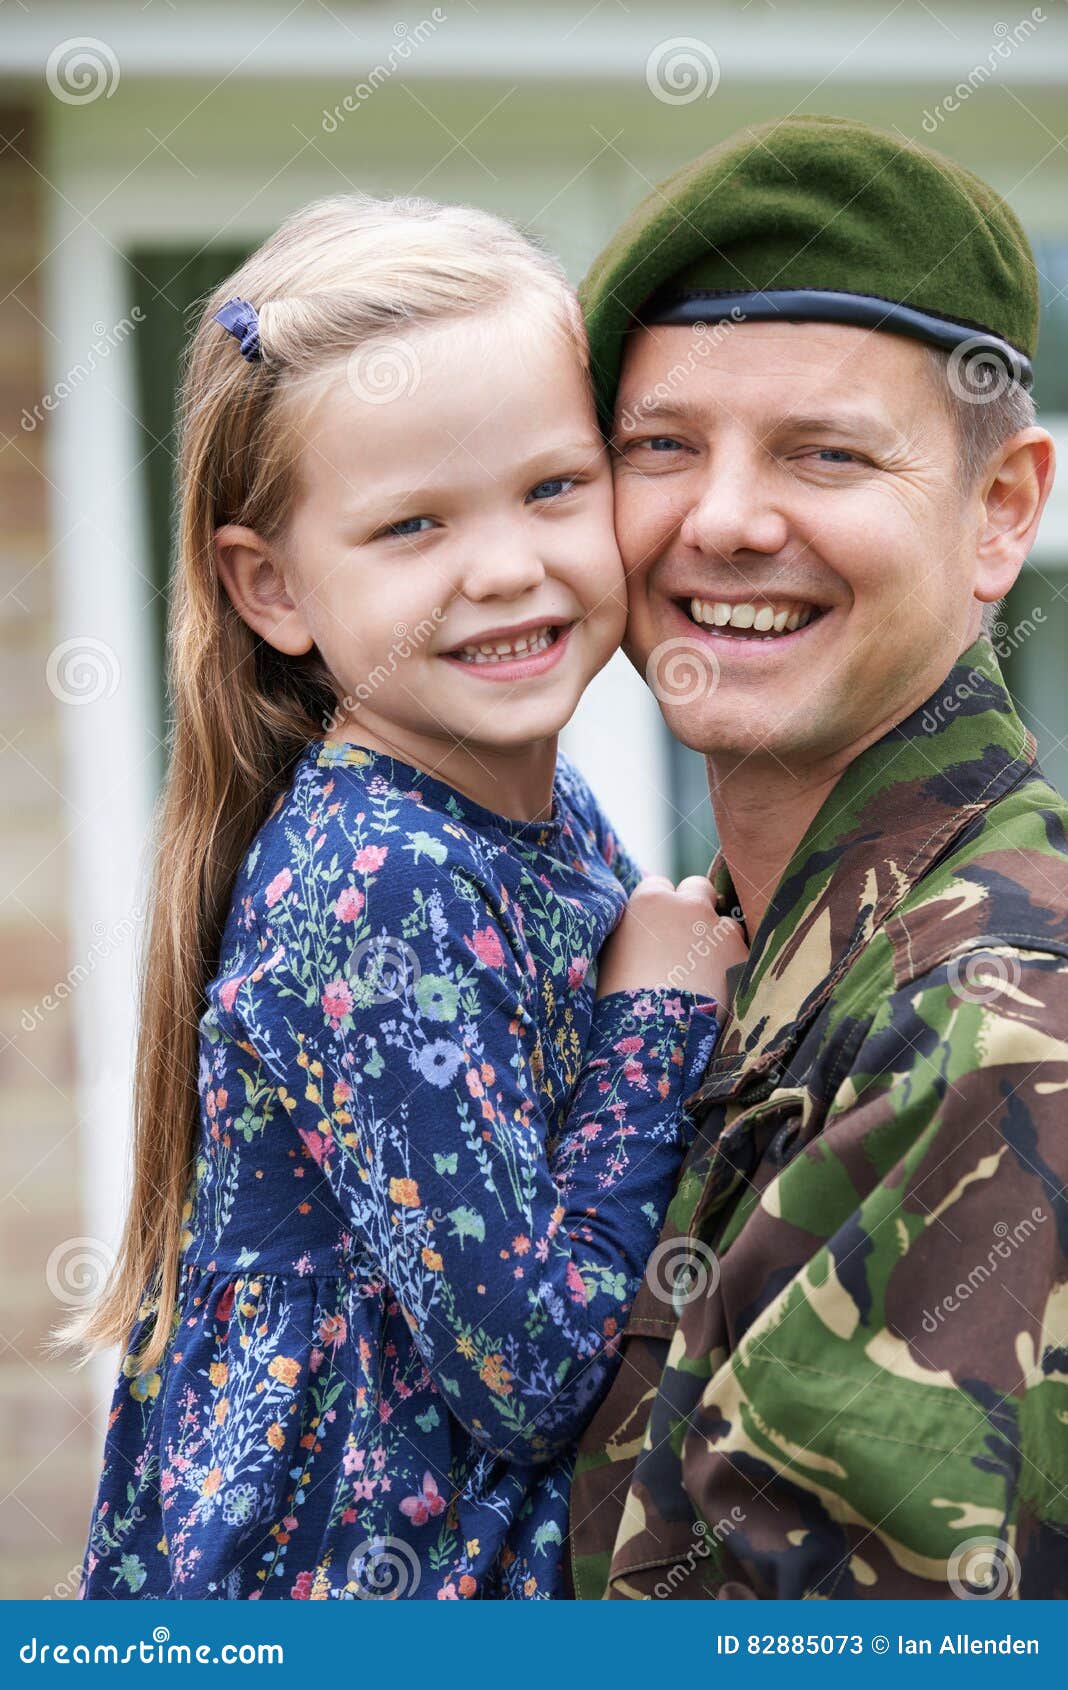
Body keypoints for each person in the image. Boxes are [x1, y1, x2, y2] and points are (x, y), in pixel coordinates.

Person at [55, 194, 745, 1600]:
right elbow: (533, 1375)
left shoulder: (539, 821)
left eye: (555, 487)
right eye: (414, 523)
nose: (506, 565)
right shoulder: (386, 886)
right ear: (273, 587)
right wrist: (658, 1020)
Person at [567, 114, 1068, 1601]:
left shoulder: (995, 1028)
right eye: (660, 447)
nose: (722, 520)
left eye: (825, 454)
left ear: (1001, 512)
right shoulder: (703, 958)